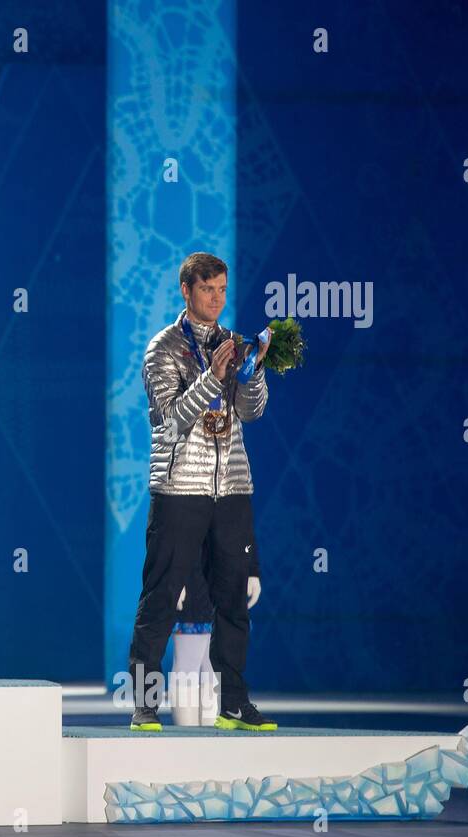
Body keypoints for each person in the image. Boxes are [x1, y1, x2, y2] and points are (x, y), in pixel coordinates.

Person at [128, 251, 278, 732]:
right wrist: (212, 378)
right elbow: (169, 421)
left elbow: (251, 413)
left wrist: (251, 374)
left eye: (222, 290)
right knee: (160, 598)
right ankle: (144, 704)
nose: (216, 298)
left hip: (232, 485)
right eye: (207, 289)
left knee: (232, 600)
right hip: (179, 487)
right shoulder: (162, 348)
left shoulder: (233, 344)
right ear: (186, 291)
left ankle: (233, 703)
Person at [168, 524, 261, 726]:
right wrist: (173, 574)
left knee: (215, 662)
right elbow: (169, 520)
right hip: (192, 572)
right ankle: (186, 738)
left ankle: (210, 737)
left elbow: (242, 521)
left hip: (224, 571)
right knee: (188, 661)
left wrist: (251, 569)